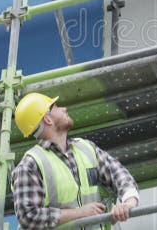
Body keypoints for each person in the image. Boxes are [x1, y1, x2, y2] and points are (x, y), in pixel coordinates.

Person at [12, 93, 139, 229]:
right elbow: (28, 216)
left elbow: (118, 174)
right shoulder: (30, 165)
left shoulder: (86, 148)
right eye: (56, 107)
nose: (64, 109)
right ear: (47, 119)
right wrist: (78, 213)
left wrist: (128, 203)